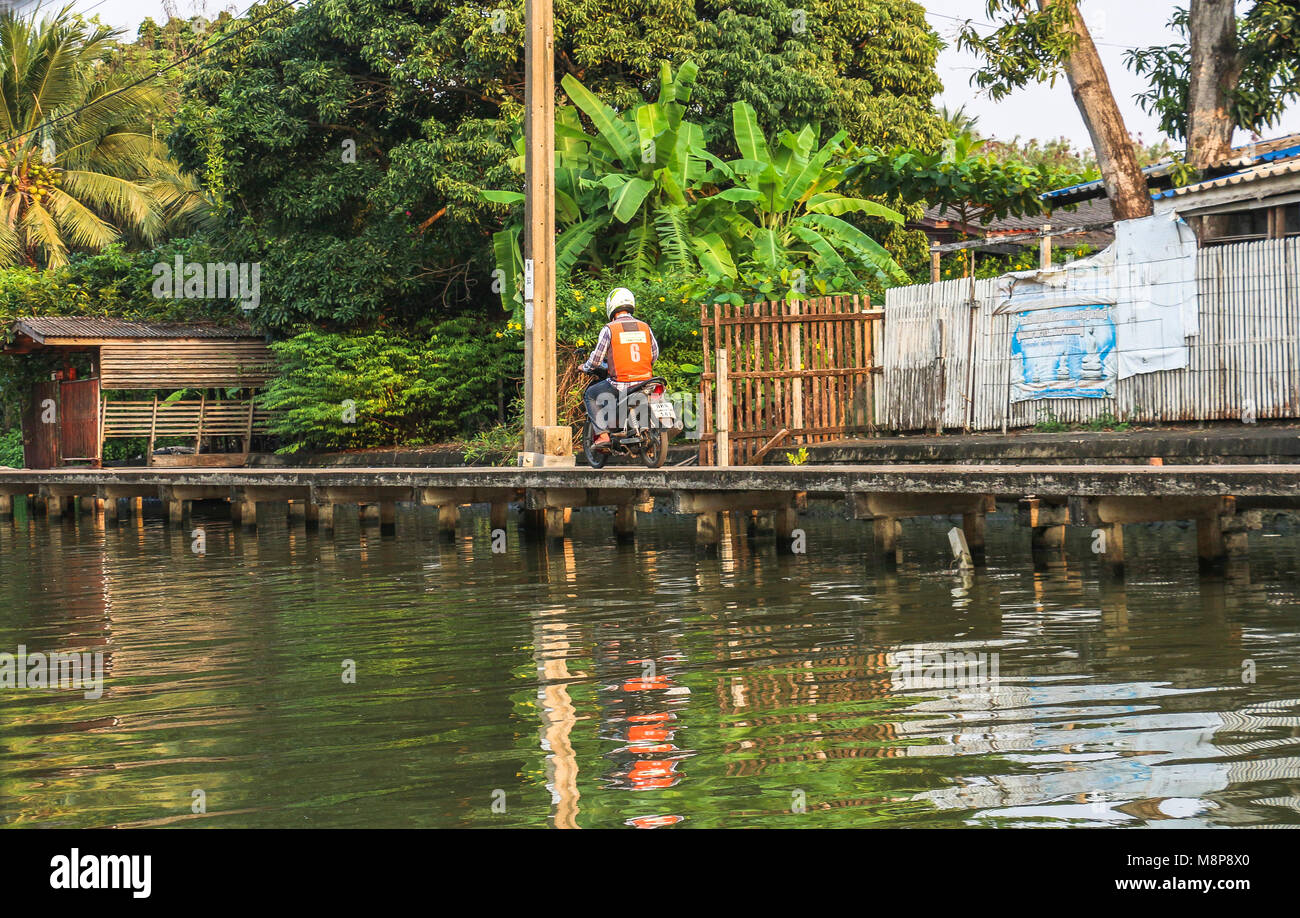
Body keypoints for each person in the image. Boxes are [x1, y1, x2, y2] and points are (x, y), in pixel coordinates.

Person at [579, 287, 660, 447]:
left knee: (591, 395)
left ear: (611, 307)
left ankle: (603, 436)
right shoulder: (645, 327)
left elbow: (596, 360)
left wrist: (585, 367)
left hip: (621, 383)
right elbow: (654, 354)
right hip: (645, 381)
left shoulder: (610, 329)